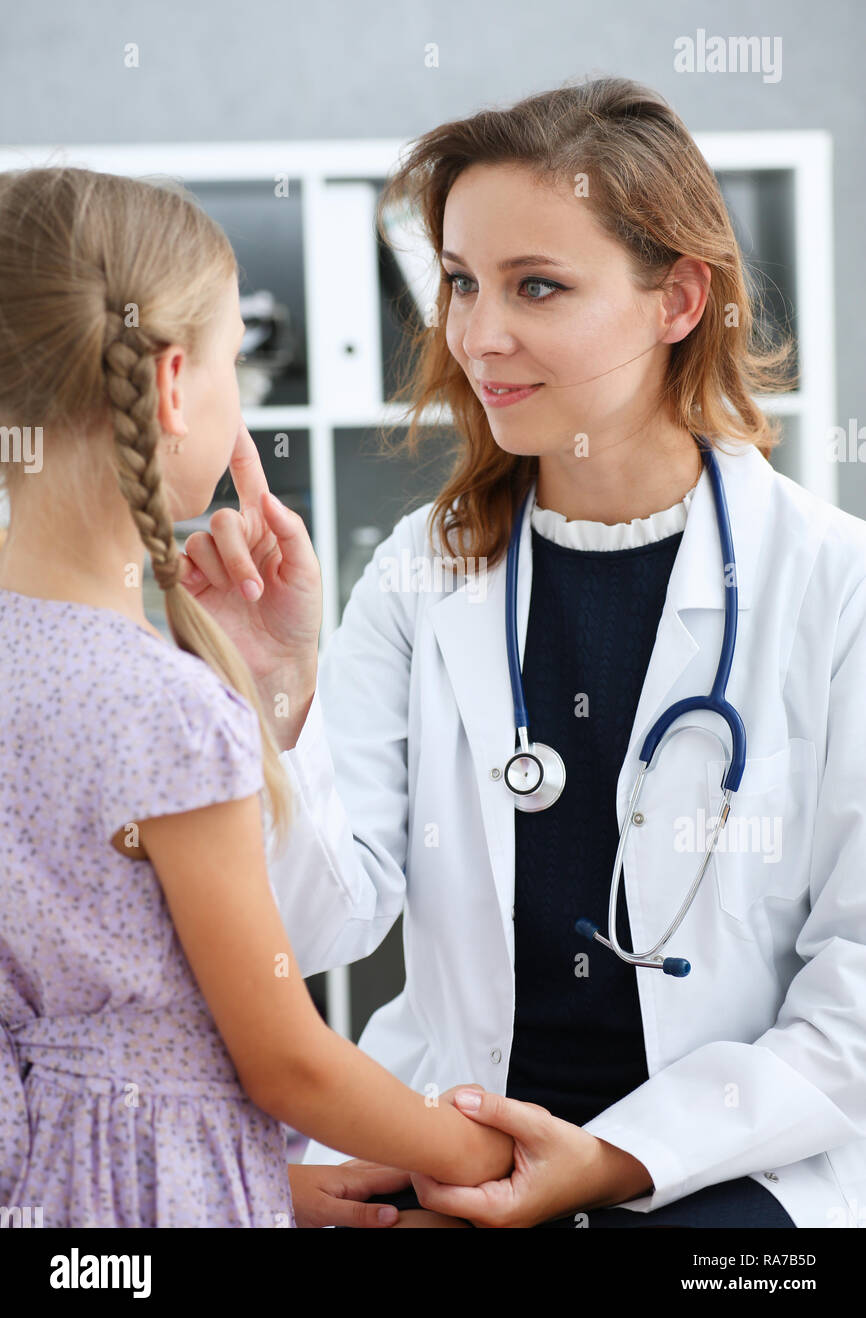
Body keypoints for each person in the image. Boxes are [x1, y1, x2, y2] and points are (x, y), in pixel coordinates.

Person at [178, 76, 866, 1229]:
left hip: (728, 1156)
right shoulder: (424, 567)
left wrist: (609, 1159)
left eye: (535, 286)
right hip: (452, 1132)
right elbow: (319, 927)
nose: (475, 334)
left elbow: (853, 991)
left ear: (677, 300)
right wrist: (274, 702)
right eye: (459, 282)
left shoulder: (830, 583)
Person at [0, 164, 519, 1228]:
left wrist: (269, 1181)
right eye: (239, 358)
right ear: (175, 384)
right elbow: (291, 1063)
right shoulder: (165, 711)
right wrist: (498, 1150)